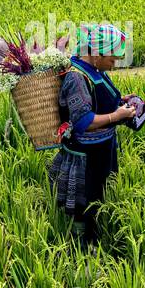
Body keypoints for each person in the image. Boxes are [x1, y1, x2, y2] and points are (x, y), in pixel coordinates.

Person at [48, 24, 137, 246]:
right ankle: (80, 250)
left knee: (98, 199)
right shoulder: (77, 77)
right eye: (112, 58)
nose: (114, 63)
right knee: (84, 205)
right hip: (86, 159)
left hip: (102, 151)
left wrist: (121, 102)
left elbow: (98, 100)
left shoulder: (94, 70)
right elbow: (82, 121)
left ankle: (95, 237)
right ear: (97, 53)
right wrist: (116, 116)